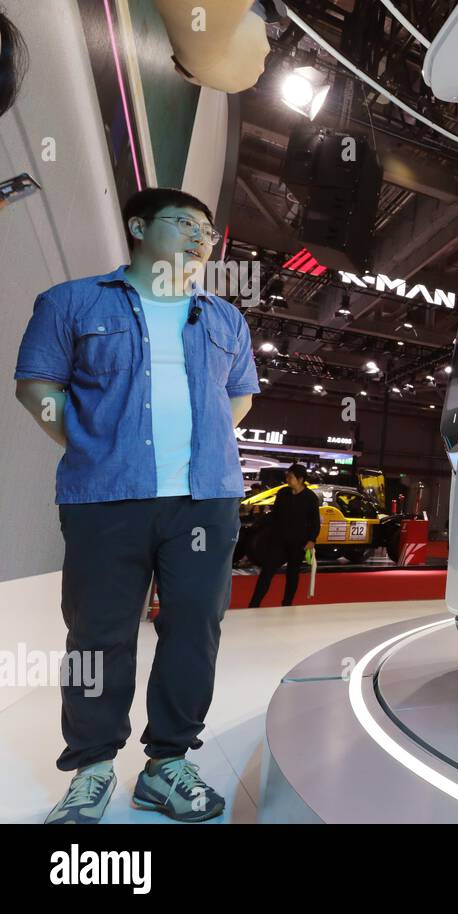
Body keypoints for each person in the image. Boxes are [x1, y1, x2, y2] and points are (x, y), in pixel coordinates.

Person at [14, 187, 260, 824]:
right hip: (106, 498)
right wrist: (92, 445)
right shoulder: (73, 301)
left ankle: (167, 764)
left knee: (194, 630)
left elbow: (240, 398)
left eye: (207, 231)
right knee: (98, 635)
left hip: (204, 501)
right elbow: (36, 383)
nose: (200, 238)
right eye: (184, 223)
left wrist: (202, 448)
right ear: (138, 226)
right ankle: (92, 767)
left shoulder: (226, 318)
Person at [248, 464, 320, 608]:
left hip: (298, 543)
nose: (287, 479)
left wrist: (312, 540)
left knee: (292, 574)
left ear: (300, 479)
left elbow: (315, 522)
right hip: (279, 541)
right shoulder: (283, 493)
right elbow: (275, 515)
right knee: (267, 571)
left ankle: (287, 604)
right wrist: (258, 523)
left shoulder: (310, 498)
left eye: (290, 476)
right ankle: (254, 604)